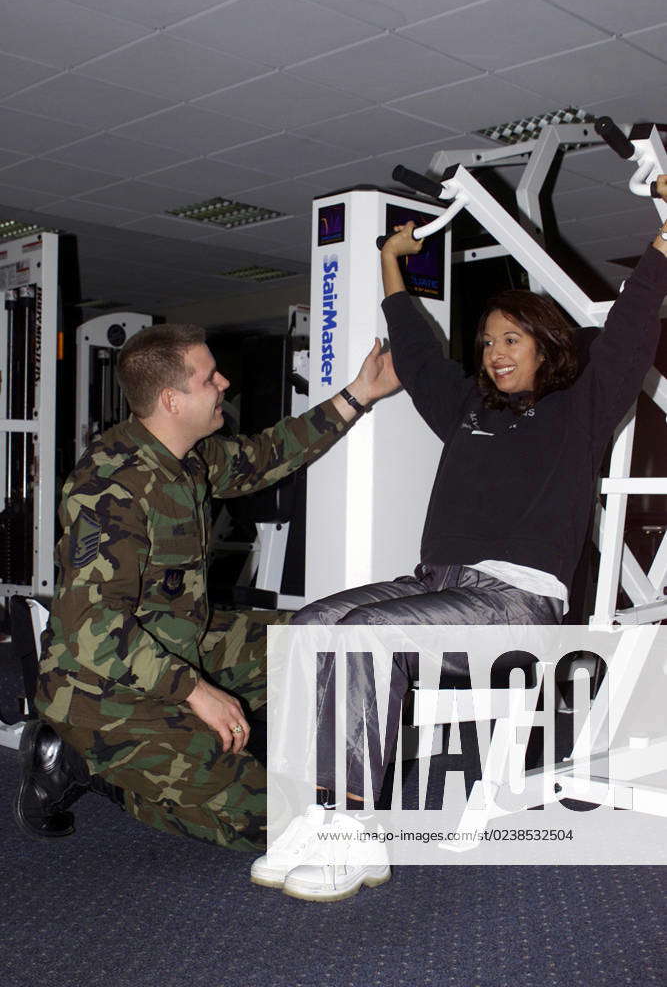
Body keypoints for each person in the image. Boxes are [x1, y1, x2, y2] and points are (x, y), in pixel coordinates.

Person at [254, 179, 667, 901]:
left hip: (519, 603)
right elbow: (415, 353)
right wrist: (391, 260)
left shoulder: (580, 412)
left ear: (546, 345)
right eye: (486, 342)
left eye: (511, 339)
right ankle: (305, 815)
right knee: (312, 625)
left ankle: (351, 827)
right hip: (439, 586)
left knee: (366, 637)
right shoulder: (468, 412)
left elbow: (633, 325)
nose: (494, 353)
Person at [14, 322, 400, 852]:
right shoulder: (110, 487)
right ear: (172, 400)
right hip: (101, 688)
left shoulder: (189, 457)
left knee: (325, 645)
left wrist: (359, 395)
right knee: (279, 821)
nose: (224, 383)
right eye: (209, 377)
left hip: (183, 641)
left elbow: (265, 456)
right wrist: (198, 693)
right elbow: (92, 627)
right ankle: (90, 767)